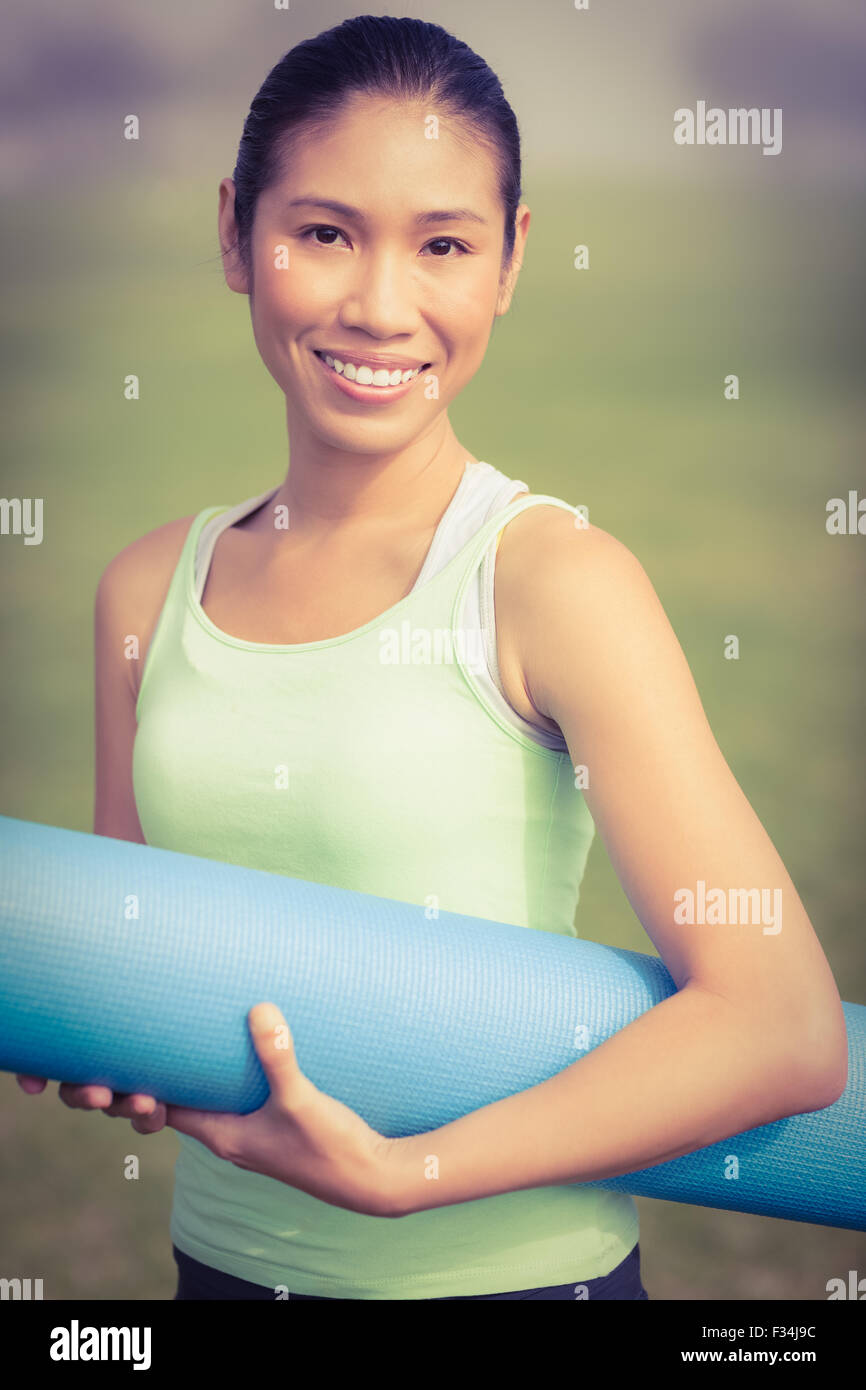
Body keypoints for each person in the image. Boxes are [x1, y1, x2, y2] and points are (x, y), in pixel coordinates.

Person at [17, 14, 847, 1302]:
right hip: (221, 1273)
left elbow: (782, 1027)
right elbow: (139, 949)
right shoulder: (145, 587)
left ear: (511, 259)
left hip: (516, 1285)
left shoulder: (556, 582)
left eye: (443, 245)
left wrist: (408, 1174)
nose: (379, 306)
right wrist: (89, 1026)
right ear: (236, 230)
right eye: (325, 232)